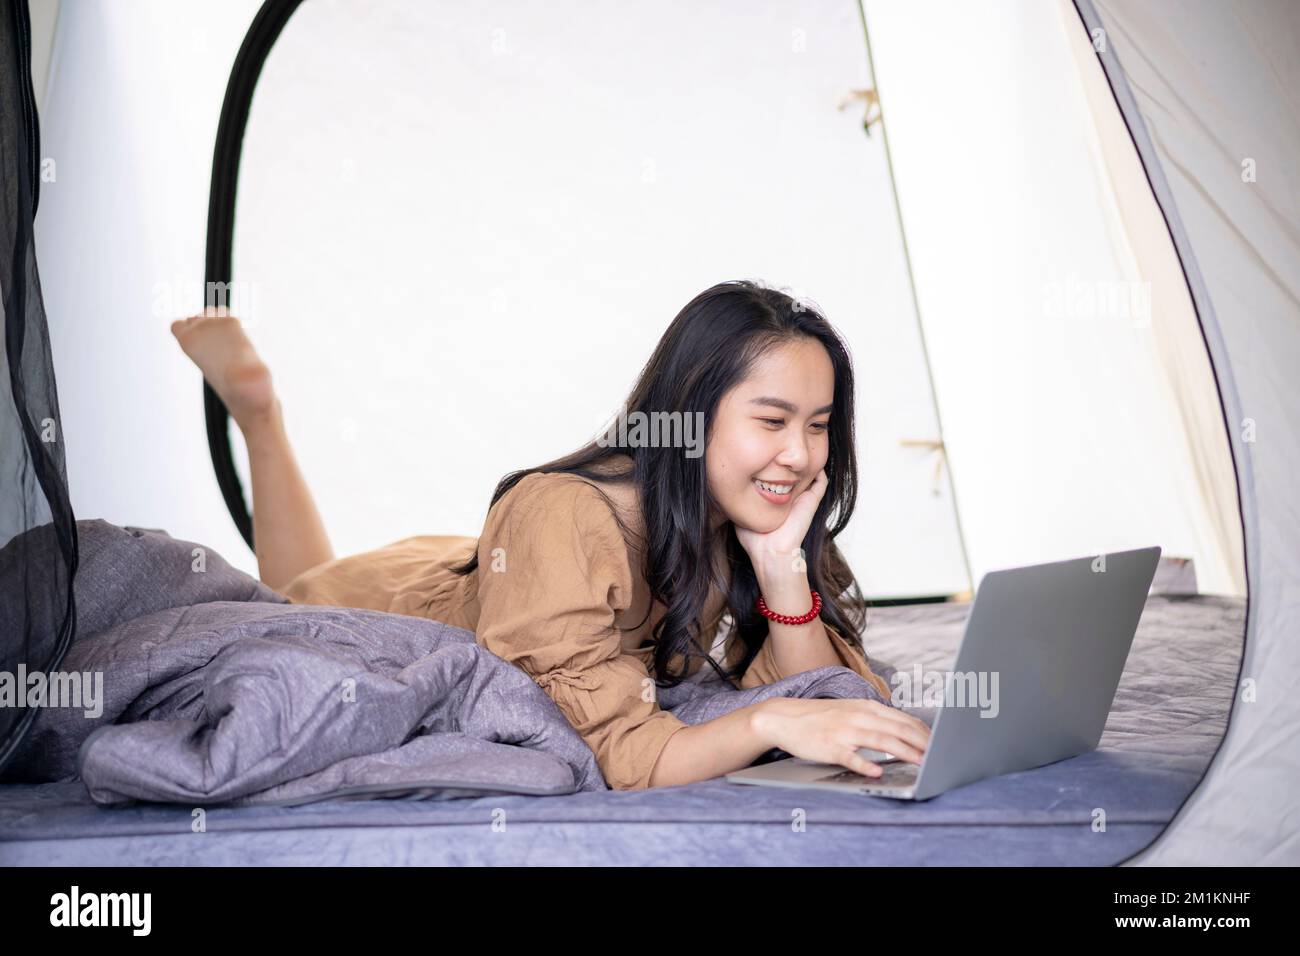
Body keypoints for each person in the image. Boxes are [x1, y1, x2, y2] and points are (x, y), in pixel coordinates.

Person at [170, 279, 931, 790]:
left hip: (506, 578)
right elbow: (623, 756)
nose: (800, 456)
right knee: (303, 586)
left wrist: (782, 571)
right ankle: (257, 408)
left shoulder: (745, 516)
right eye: (771, 421)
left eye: (819, 426)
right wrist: (767, 719)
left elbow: (830, 697)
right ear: (692, 416)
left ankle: (259, 414)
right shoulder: (565, 514)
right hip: (401, 605)